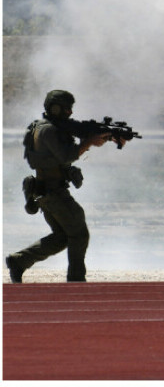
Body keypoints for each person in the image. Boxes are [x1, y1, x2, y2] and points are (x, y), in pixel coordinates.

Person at [7, 90, 112, 283]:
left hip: (47, 190)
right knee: (79, 234)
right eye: (66, 109)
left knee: (63, 236)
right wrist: (89, 142)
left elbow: (65, 147)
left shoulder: (42, 126)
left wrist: (105, 137)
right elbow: (66, 155)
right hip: (53, 191)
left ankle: (19, 261)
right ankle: (76, 281)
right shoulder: (48, 130)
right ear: (55, 108)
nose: (70, 113)